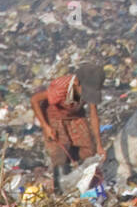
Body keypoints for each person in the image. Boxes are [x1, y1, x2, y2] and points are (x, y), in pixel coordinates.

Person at [30, 63, 105, 191]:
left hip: (75, 115)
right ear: (77, 83)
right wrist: (46, 126)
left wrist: (99, 145)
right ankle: (61, 190)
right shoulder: (61, 87)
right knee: (60, 151)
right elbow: (35, 99)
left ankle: (80, 181)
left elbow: (93, 115)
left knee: (88, 150)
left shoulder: (90, 88)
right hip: (54, 115)